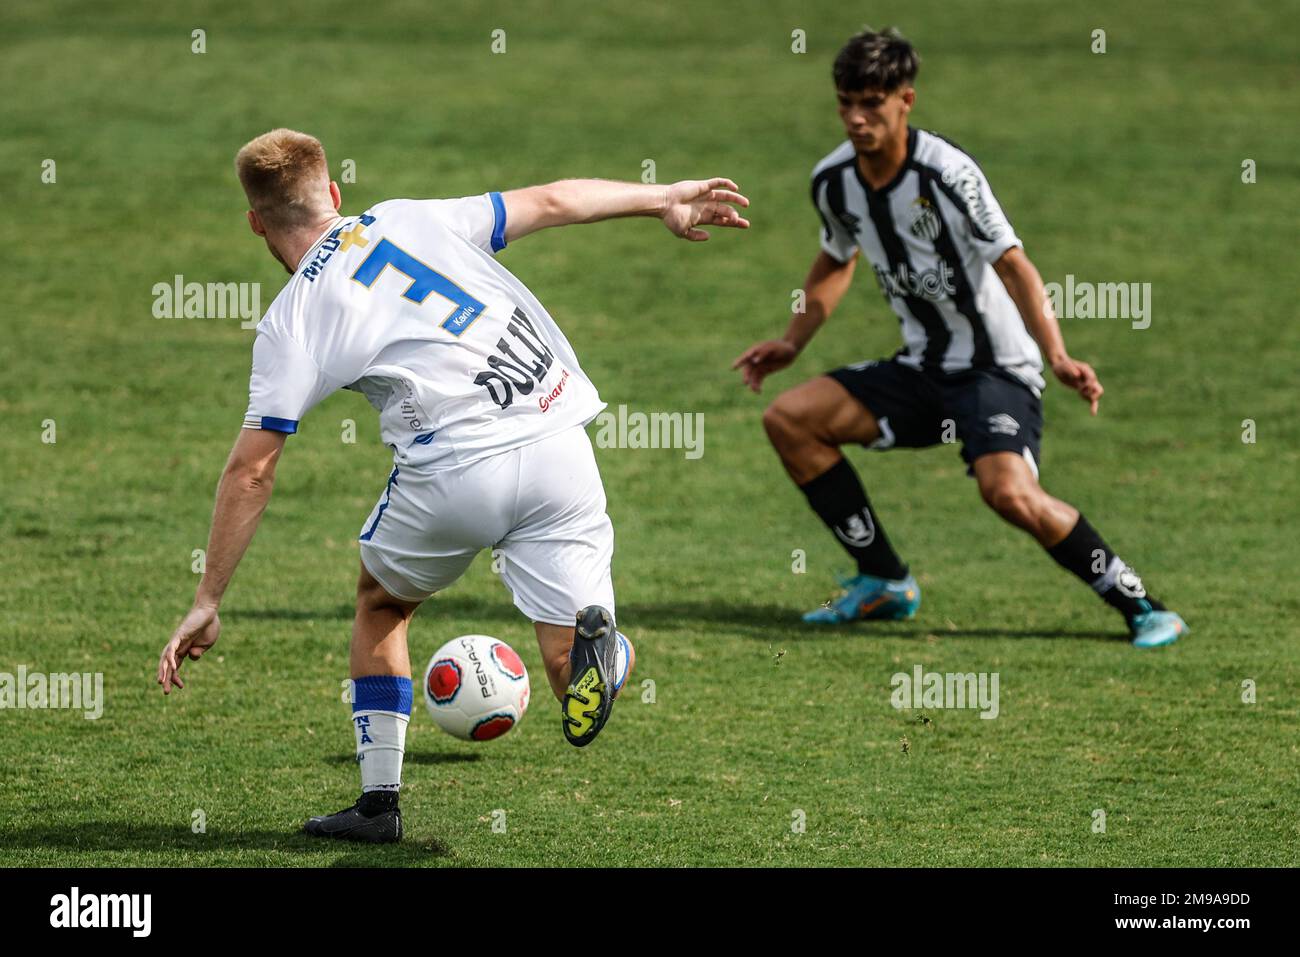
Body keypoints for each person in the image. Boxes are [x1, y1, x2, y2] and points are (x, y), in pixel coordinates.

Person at [158, 128, 750, 842]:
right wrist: (664, 197)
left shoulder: (293, 320)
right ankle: (609, 654)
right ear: (336, 194)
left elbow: (253, 467)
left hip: (459, 469)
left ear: (255, 221)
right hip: (557, 436)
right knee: (568, 668)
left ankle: (378, 805)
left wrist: (208, 599)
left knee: (382, 602)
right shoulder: (411, 215)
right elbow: (555, 199)